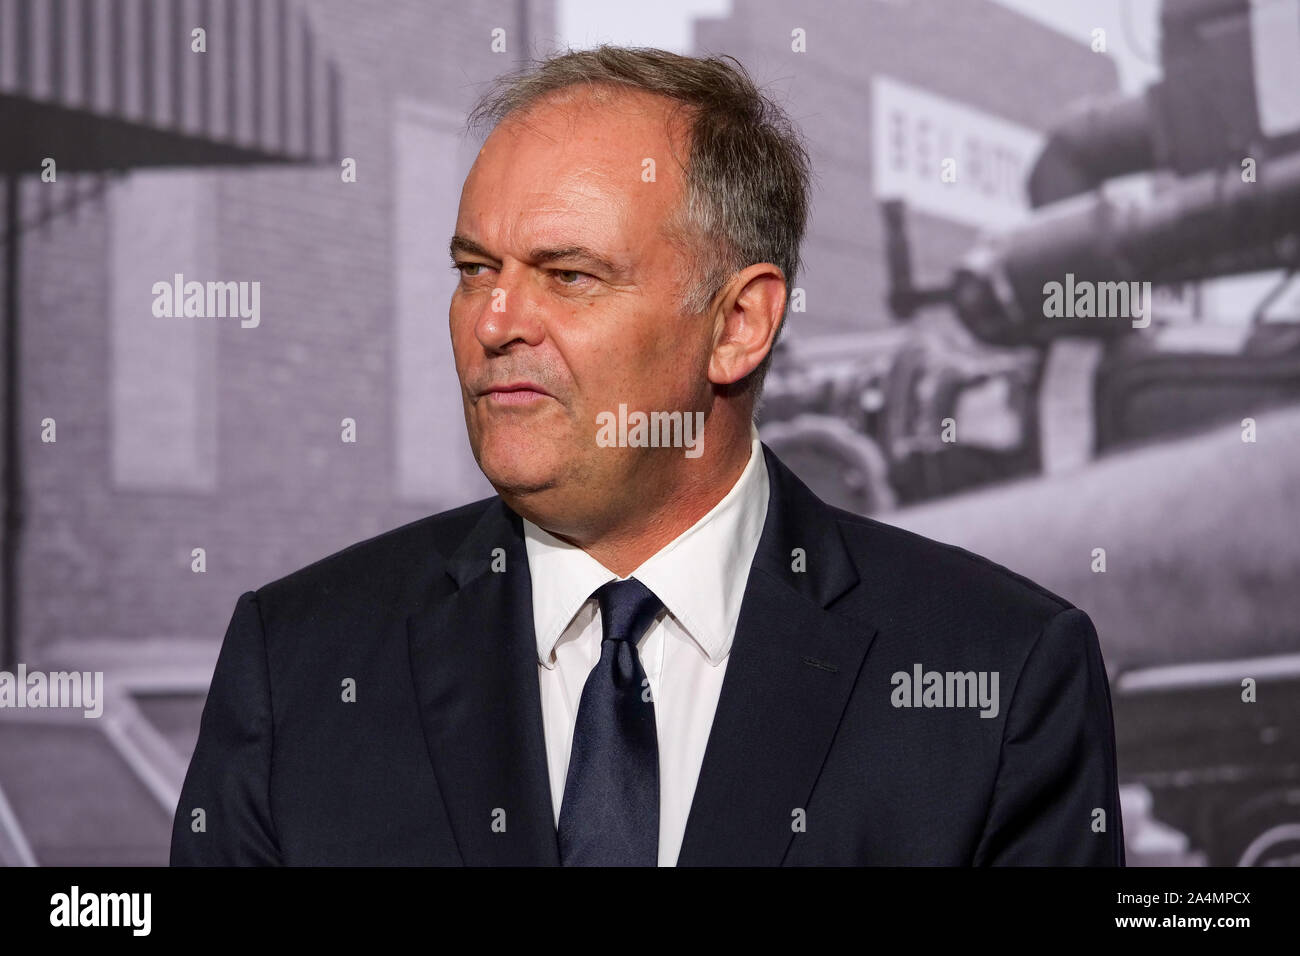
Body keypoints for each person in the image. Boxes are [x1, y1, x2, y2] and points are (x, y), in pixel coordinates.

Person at [170, 45, 1124, 866]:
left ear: (739, 324)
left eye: (569, 275)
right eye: (474, 272)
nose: (495, 322)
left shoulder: (1000, 677)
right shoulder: (297, 662)